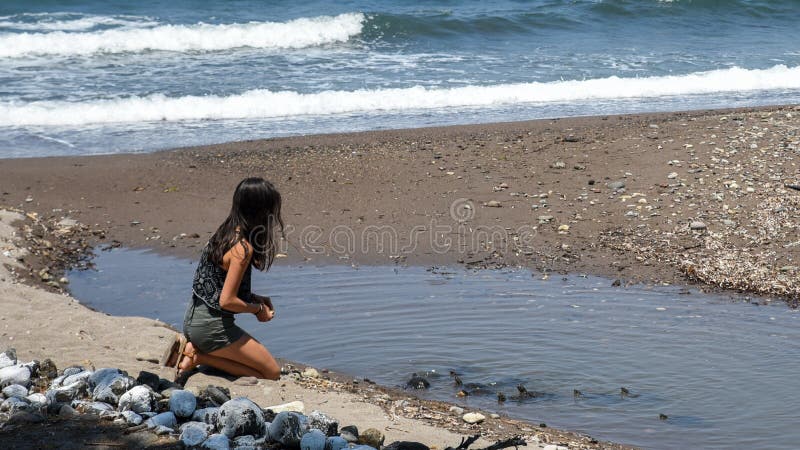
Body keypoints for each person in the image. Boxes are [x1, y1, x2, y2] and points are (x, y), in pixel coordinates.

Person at [162, 177, 283, 382]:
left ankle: (196, 348)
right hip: (211, 328)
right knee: (271, 373)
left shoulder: (225, 231)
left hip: (193, 320)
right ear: (260, 211)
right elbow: (226, 301)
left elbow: (219, 285)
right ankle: (196, 357)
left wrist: (255, 298)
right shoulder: (242, 248)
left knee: (256, 364)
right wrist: (258, 310)